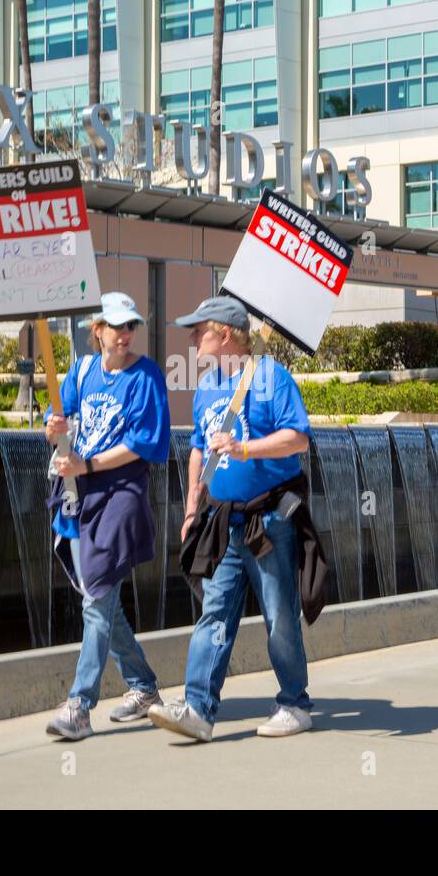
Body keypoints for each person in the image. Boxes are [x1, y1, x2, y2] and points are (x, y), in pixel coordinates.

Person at [147, 296, 328, 743]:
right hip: (222, 520)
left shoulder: (271, 378)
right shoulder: (207, 386)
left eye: (199, 331)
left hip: (269, 521)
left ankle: (294, 702)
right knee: (214, 612)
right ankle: (198, 708)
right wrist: (192, 509)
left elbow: (297, 439)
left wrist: (246, 448)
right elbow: (197, 449)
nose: (192, 338)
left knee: (278, 614)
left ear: (225, 335)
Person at [43, 292, 171, 740]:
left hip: (119, 496)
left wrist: (88, 465)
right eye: (117, 326)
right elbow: (54, 422)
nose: (126, 334)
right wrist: (54, 432)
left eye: (131, 325)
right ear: (97, 330)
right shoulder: (80, 371)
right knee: (101, 600)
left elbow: (143, 444)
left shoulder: (147, 376)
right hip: (79, 495)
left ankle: (79, 706)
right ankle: (144, 687)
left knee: (96, 599)